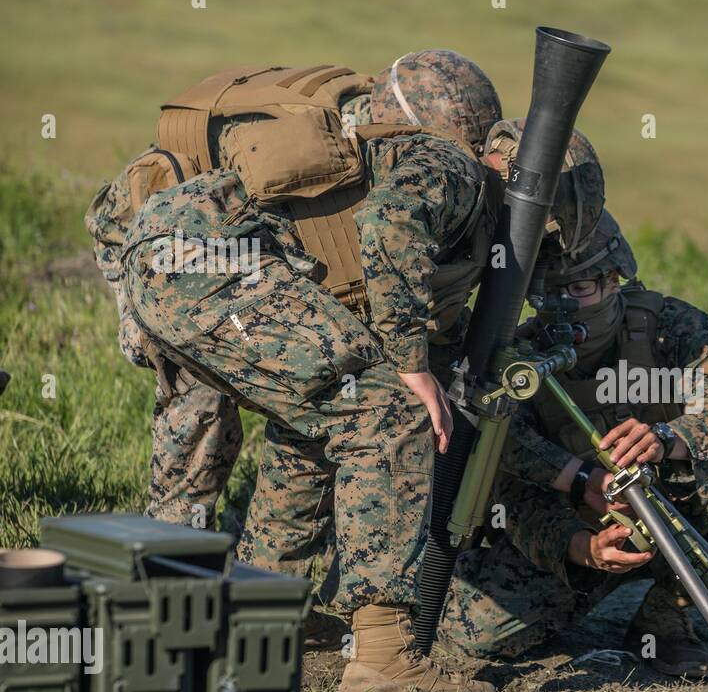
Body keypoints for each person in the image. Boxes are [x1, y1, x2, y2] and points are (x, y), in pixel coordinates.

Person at [84, 51, 503, 649]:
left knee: (314, 412)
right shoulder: (441, 164)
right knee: (380, 410)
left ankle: (260, 612)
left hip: (178, 251)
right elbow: (391, 224)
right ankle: (380, 659)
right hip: (198, 261)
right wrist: (411, 366)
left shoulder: (350, 140)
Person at [440, 122, 708, 677]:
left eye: (578, 288)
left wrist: (667, 440)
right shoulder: (519, 360)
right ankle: (587, 598)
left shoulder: (670, 326)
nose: (561, 306)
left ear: (615, 279)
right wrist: (582, 546)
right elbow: (507, 487)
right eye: (546, 292)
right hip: (578, 528)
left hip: (672, 508)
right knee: (479, 635)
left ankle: (666, 618)